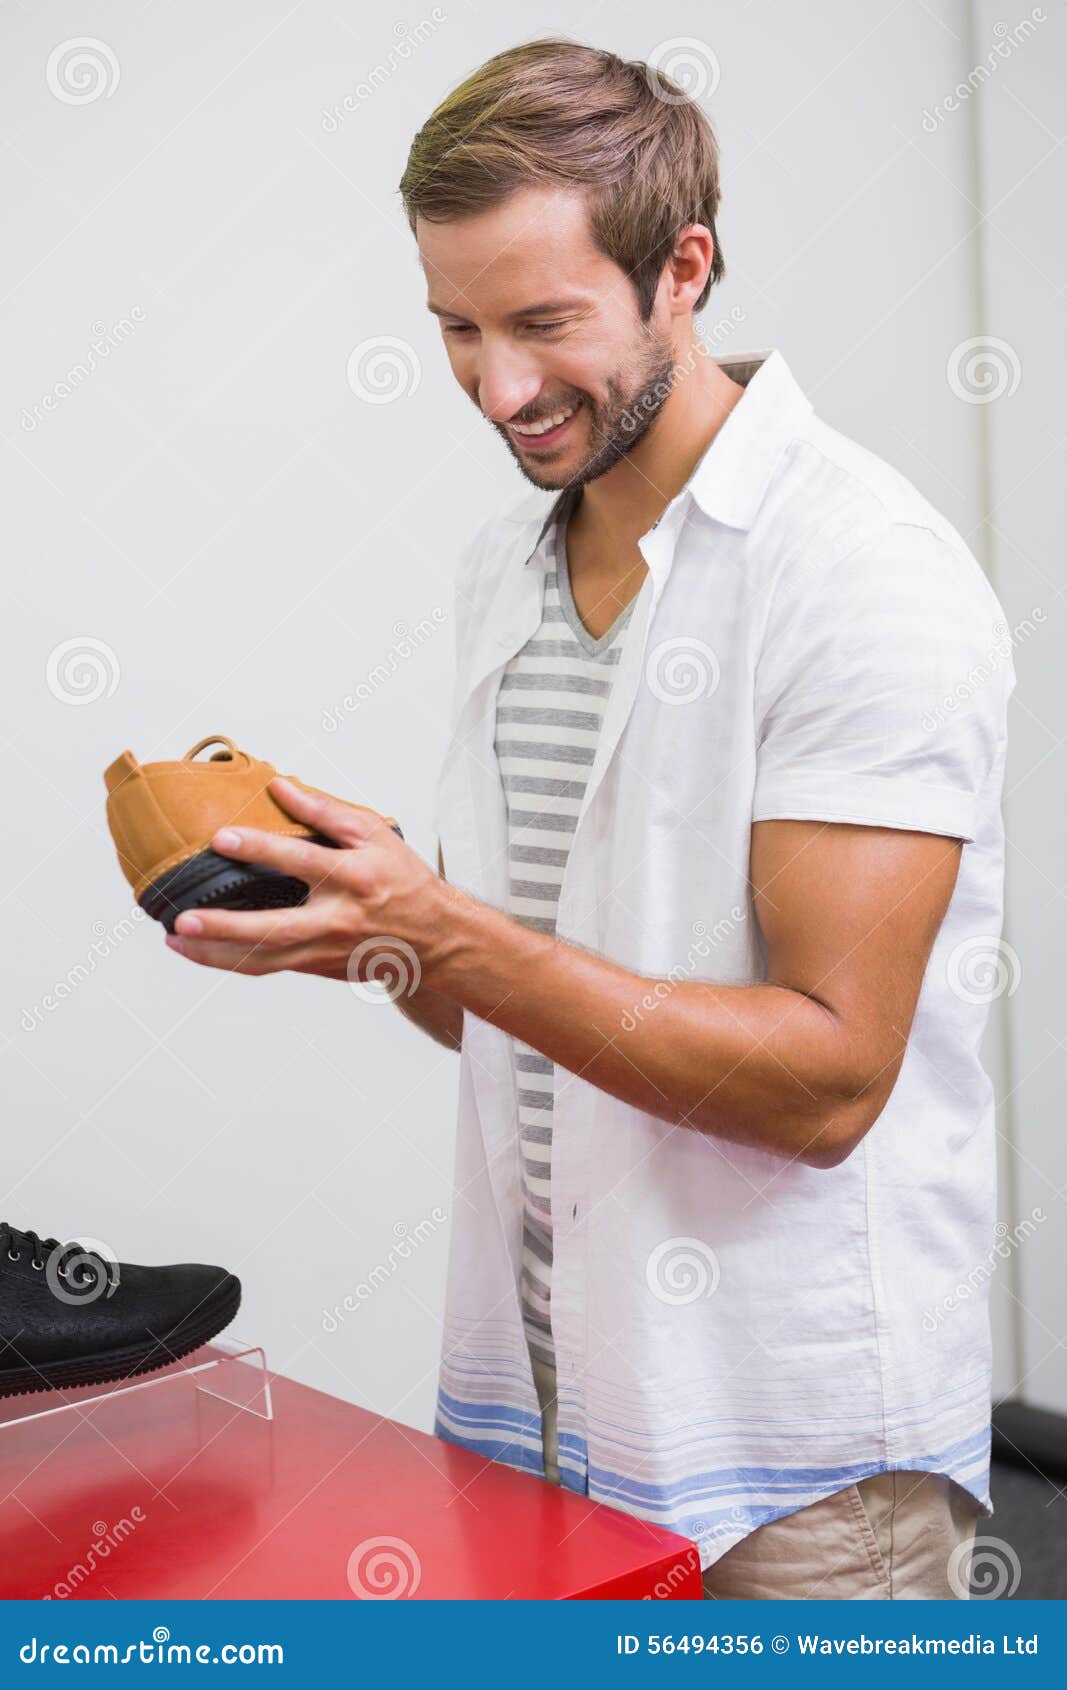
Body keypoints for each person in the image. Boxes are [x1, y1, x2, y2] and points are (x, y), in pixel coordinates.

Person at [165, 38, 1015, 1599]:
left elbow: (827, 1079)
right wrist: (373, 928)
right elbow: (534, 1005)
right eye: (456, 327)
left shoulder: (860, 571)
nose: (500, 388)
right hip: (546, 1418)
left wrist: (449, 928)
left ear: (683, 268)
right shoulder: (508, 563)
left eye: (546, 323)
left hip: (800, 1481)